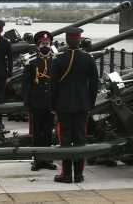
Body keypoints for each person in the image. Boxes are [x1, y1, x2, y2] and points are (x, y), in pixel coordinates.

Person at [51, 27, 98, 183]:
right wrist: (90, 103)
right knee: (80, 138)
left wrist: (54, 105)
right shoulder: (88, 58)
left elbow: (53, 85)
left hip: (63, 105)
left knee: (64, 139)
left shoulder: (59, 59)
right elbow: (94, 85)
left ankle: (66, 174)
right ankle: (78, 174)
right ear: (79, 40)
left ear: (66, 40)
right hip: (82, 104)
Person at [22, 30, 57, 171]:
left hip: (50, 102)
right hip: (36, 102)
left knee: (48, 132)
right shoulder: (31, 62)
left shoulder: (55, 61)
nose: (45, 45)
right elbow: (26, 84)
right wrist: (27, 102)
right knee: (37, 133)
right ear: (37, 45)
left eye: (47, 43)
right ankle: (37, 160)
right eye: (43, 43)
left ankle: (47, 159)